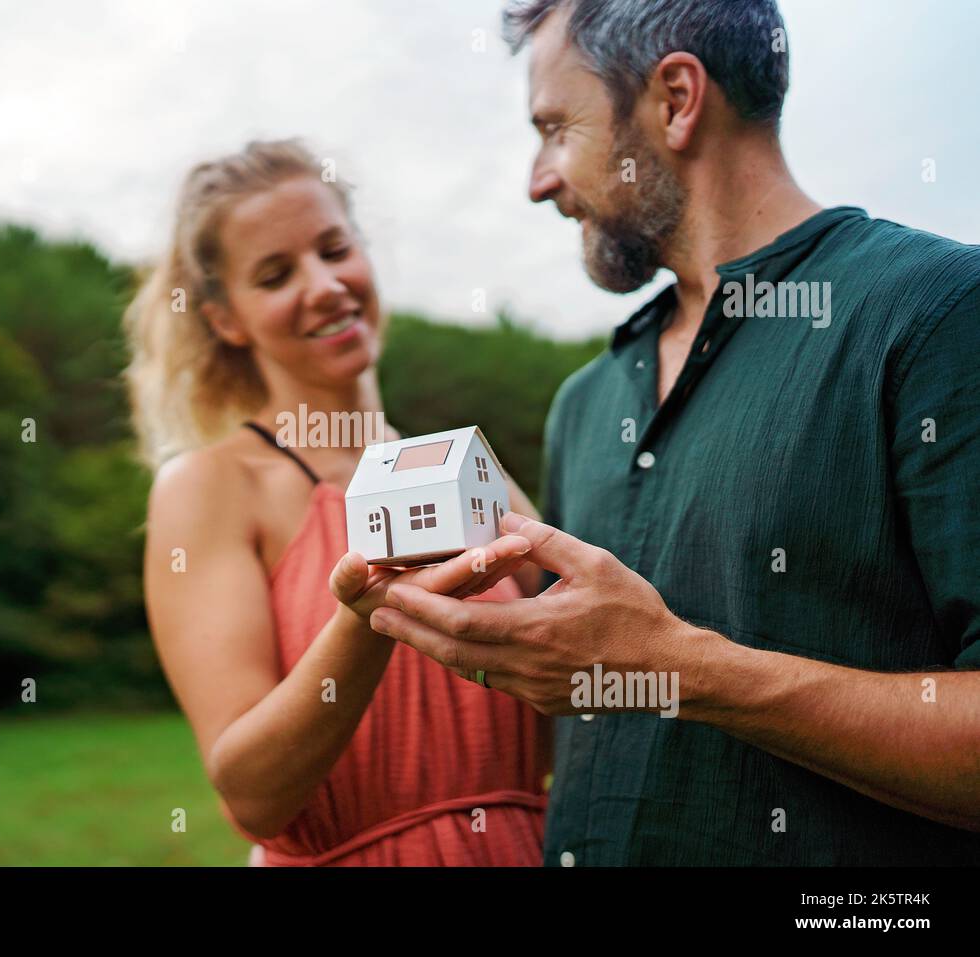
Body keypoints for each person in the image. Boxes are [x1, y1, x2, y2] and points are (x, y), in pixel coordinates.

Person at [368, 0, 980, 865]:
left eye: (554, 127)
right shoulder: (584, 400)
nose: (537, 179)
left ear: (676, 98)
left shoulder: (940, 314)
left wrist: (686, 671)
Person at [125, 139, 551, 865]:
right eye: (275, 273)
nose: (324, 285)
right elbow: (253, 794)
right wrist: (370, 617)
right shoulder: (210, 487)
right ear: (227, 319)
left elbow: (572, 700)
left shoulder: (470, 469)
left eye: (334, 247)